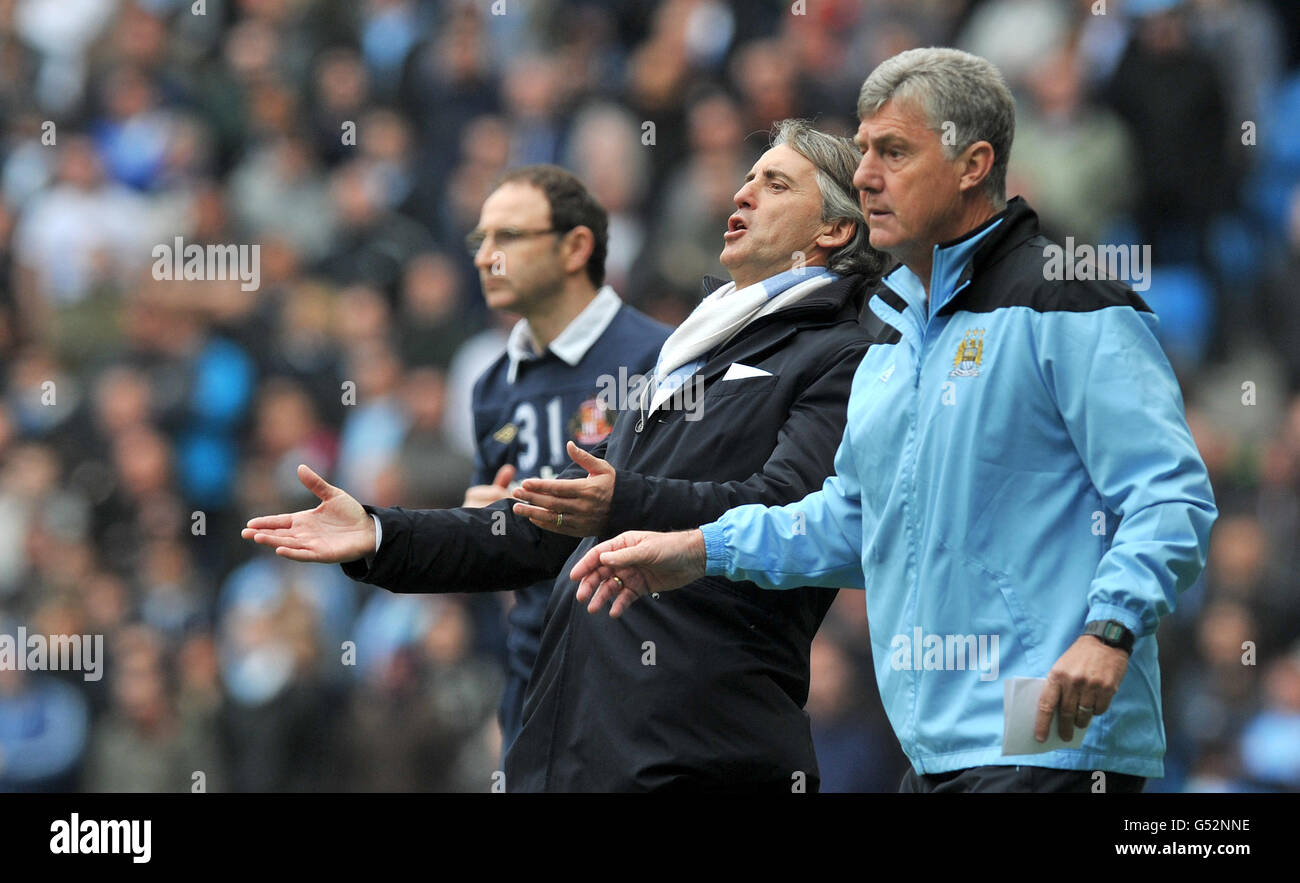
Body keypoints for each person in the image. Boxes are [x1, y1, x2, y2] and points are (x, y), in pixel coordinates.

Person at [569, 48, 1218, 793]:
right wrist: (700, 549)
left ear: (974, 164)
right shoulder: (889, 335)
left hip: (1049, 737)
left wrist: (1111, 630)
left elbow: (1170, 496)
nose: (867, 174)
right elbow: (851, 520)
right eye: (865, 149)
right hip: (938, 749)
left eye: (894, 151)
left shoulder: (1066, 299)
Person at [243, 119, 884, 791]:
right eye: (747, 177)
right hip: (573, 749)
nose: (744, 192)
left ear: (833, 230)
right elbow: (539, 524)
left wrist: (625, 500)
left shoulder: (840, 355)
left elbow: (794, 512)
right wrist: (378, 533)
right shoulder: (689, 353)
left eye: (774, 183)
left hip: (698, 752)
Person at [452, 165, 671, 754]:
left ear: (576, 247)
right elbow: (493, 542)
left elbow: (684, 514)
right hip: (528, 678)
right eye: (479, 241)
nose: (484, 258)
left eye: (507, 238)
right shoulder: (491, 385)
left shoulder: (660, 358)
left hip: (640, 673)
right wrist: (483, 521)